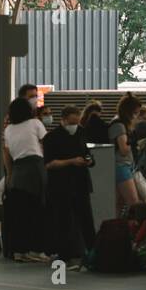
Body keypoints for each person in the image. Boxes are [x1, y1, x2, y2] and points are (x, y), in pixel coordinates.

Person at [44, 104, 95, 266]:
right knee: (63, 219)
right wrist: (72, 161)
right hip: (61, 184)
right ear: (64, 120)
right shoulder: (51, 138)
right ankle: (64, 252)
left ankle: (92, 251)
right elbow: (49, 164)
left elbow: (87, 152)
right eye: (72, 122)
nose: (75, 125)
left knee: (86, 217)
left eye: (77, 122)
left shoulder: (81, 132)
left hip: (80, 182)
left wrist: (89, 160)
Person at [3, 95, 50, 263]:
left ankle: (19, 251)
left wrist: (9, 175)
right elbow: (47, 143)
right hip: (35, 168)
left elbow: (6, 154)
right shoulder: (35, 123)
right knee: (38, 210)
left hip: (17, 171)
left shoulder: (8, 129)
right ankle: (36, 250)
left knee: (20, 213)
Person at [108, 94, 143, 212]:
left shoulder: (121, 124)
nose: (136, 116)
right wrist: (133, 142)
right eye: (135, 113)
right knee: (134, 202)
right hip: (121, 165)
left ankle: (114, 228)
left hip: (124, 165)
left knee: (118, 203)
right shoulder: (119, 125)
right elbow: (123, 149)